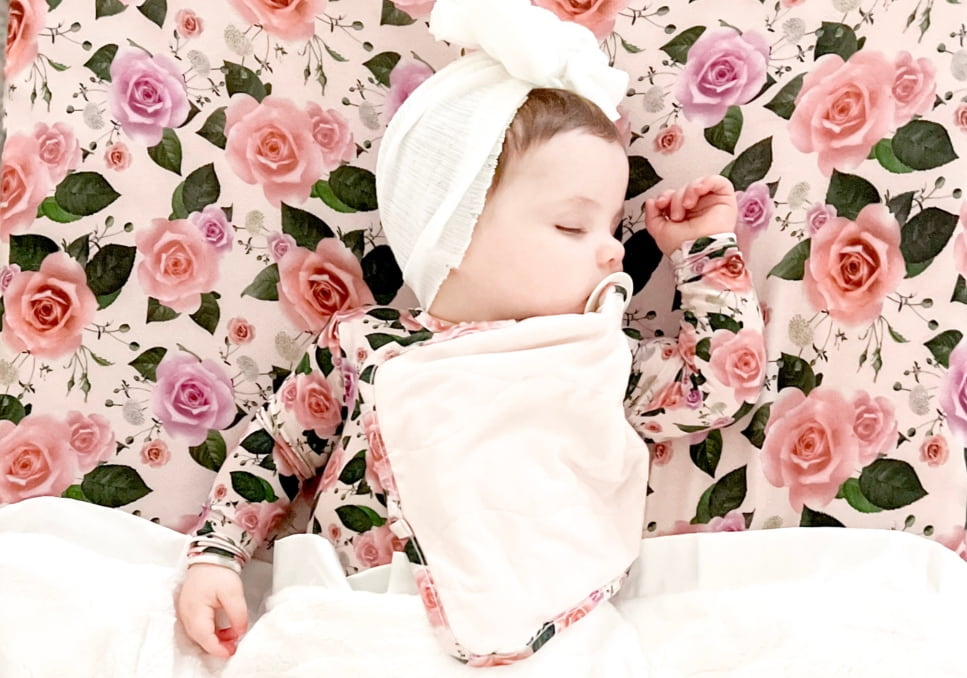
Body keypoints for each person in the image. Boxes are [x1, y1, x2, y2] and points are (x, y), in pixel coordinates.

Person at [177, 0, 765, 667]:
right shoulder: (365, 345)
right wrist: (216, 556)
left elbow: (719, 389)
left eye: (609, 228)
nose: (611, 251)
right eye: (572, 226)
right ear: (449, 226)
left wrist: (704, 250)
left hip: (535, 632)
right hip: (356, 616)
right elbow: (277, 450)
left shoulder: (593, 357)